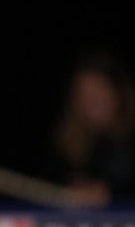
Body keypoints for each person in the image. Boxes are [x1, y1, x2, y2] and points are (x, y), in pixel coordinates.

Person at [44, 50, 135, 206]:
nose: (90, 102)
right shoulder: (66, 146)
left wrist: (110, 192)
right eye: (82, 94)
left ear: (119, 93)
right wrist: (70, 189)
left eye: (98, 91)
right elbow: (45, 185)